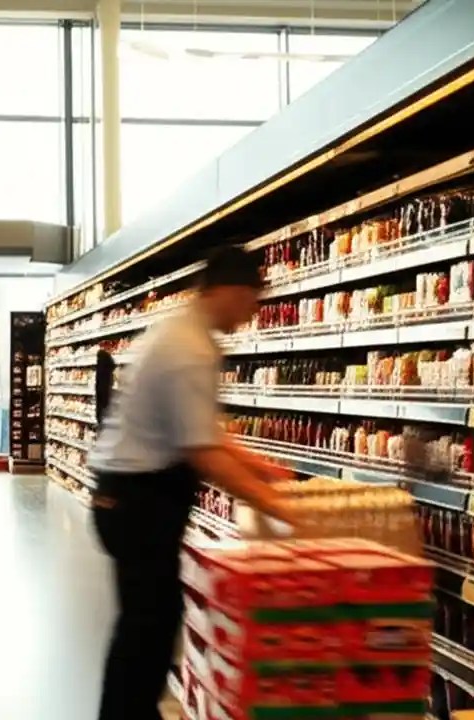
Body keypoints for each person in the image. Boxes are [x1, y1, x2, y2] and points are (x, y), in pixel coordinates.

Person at [88, 245, 299, 720]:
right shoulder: (189, 350)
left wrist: (263, 468)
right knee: (147, 629)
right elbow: (203, 453)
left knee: (150, 623)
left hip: (127, 498)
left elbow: (203, 432)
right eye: (252, 300)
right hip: (138, 503)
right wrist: (282, 509)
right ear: (231, 291)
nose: (252, 314)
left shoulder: (182, 332)